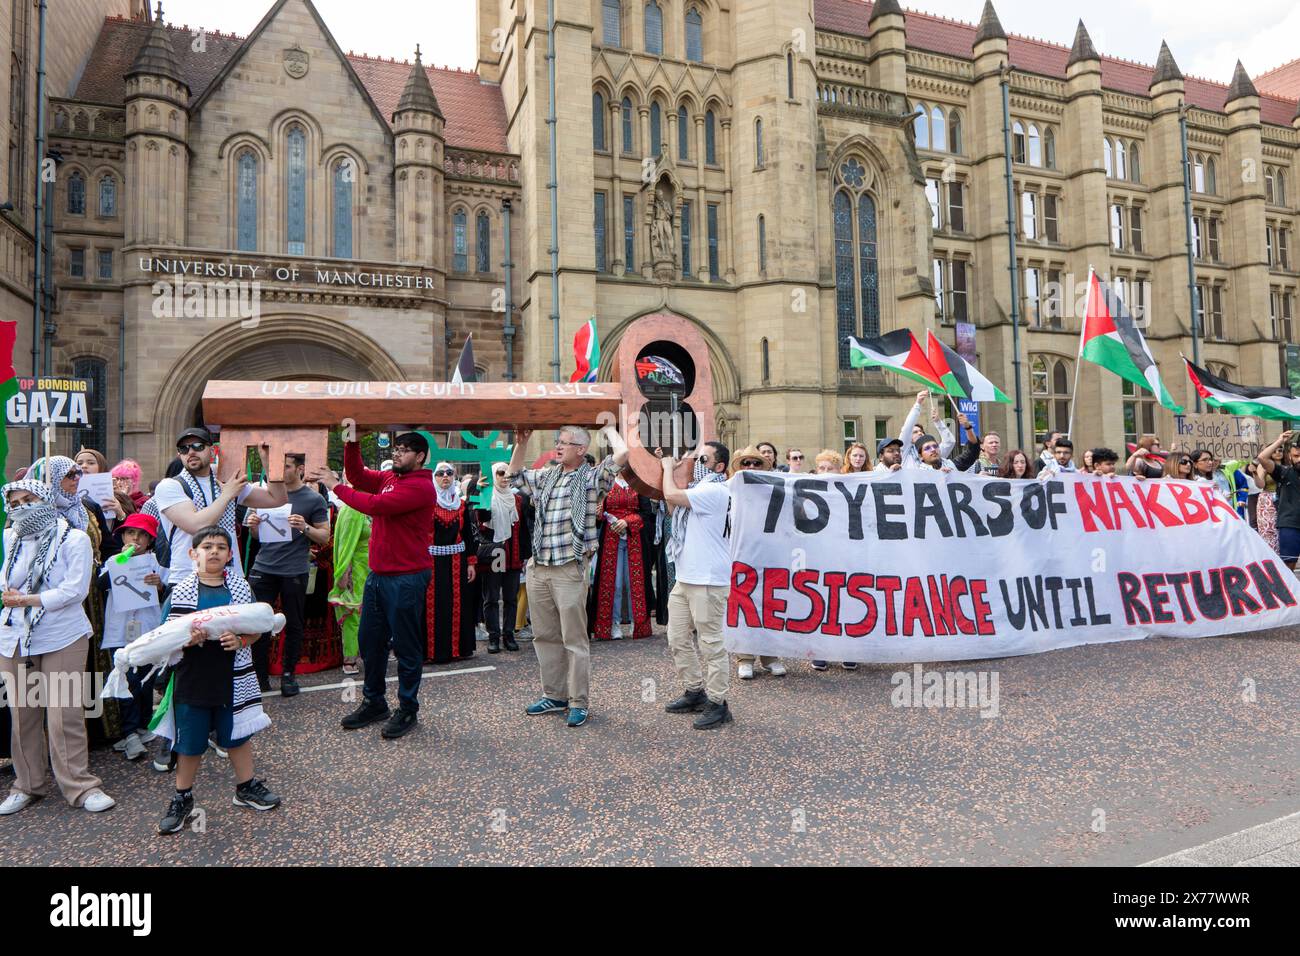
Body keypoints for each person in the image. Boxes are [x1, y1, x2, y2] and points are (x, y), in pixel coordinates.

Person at [0, 479, 116, 816]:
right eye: (16, 502)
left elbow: (74, 590)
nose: (23, 507)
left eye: (30, 499)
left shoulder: (73, 538)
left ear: (46, 499)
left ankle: (81, 787)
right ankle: (27, 784)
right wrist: (10, 592)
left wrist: (28, 598)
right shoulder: (9, 538)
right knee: (22, 714)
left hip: (61, 634)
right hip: (14, 635)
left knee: (64, 713)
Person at [311, 433, 435, 740]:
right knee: (370, 641)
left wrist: (334, 486)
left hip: (407, 577)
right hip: (379, 576)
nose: (397, 454)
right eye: (396, 448)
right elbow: (357, 475)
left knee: (406, 647)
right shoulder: (390, 477)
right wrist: (351, 443)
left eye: (404, 451)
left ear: (420, 456)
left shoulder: (420, 486)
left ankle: (407, 708)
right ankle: (375, 701)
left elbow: (375, 506)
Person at [157, 526, 280, 834]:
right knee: (191, 742)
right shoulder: (179, 592)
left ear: (229, 555)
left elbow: (259, 629)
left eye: (221, 547)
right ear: (192, 554)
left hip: (234, 675)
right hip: (193, 678)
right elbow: (163, 638)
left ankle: (245, 786)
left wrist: (241, 642)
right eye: (207, 546)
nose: (214, 551)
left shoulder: (242, 588)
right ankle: (182, 797)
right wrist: (187, 639)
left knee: (237, 735)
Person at [507, 424, 629, 728]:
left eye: (566, 443)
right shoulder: (548, 475)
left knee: (574, 640)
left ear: (581, 450)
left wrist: (609, 428)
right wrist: (521, 443)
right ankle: (555, 695)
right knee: (545, 636)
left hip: (569, 567)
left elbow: (623, 454)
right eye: (557, 442)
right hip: (539, 566)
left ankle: (578, 701)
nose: (558, 446)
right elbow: (514, 477)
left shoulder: (591, 478)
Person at [153, 427, 288, 589]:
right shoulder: (170, 485)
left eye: (198, 446)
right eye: (184, 448)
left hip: (231, 577)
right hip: (188, 578)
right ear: (179, 455)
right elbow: (196, 525)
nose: (191, 452)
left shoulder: (225, 478)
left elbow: (277, 499)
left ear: (212, 451)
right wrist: (227, 495)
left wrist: (269, 462)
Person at [659, 442, 734, 729]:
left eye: (704, 458)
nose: (698, 461)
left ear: (719, 467)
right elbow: (671, 504)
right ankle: (694, 691)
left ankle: (718, 703)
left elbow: (671, 494)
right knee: (677, 638)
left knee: (711, 644)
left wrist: (668, 468)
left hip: (708, 579)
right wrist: (671, 467)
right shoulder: (699, 489)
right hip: (687, 576)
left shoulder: (715, 490)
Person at [244, 454, 330, 697]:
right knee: (257, 622)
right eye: (277, 466)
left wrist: (304, 526)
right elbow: (259, 537)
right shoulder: (264, 494)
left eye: (286, 466)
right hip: (263, 568)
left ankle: (288, 675)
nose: (280, 471)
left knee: (293, 623)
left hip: (294, 570)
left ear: (300, 469)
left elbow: (324, 536)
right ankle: (259, 676)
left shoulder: (314, 499)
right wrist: (253, 526)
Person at [99, 512, 165, 761]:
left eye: (141, 535)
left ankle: (142, 726)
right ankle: (128, 733)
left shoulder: (156, 562)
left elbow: (166, 592)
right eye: (130, 533)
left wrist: (159, 584)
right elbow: (100, 584)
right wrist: (120, 562)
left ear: (150, 540)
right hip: (120, 632)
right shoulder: (114, 560)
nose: (134, 539)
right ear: (122, 536)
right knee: (127, 681)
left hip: (148, 629)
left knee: (146, 680)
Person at [728, 446, 787, 680]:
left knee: (771, 603)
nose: (751, 468)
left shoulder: (777, 488)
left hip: (771, 553)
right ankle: (745, 657)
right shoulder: (731, 488)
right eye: (746, 464)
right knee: (744, 603)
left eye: (756, 463)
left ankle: (770, 656)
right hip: (741, 553)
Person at [588, 467, 652, 641]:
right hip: (610, 539)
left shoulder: (639, 485)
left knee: (633, 583)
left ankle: (636, 622)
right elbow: (597, 514)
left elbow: (646, 514)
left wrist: (627, 521)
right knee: (613, 584)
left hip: (634, 539)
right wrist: (598, 513)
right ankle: (612, 624)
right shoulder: (605, 484)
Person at [426, 462, 480, 663]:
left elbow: (468, 535)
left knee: (458, 604)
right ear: (435, 477)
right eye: (440, 474)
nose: (445, 477)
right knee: (435, 605)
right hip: (432, 561)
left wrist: (471, 563)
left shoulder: (461, 504)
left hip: (458, 561)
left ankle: (458, 649)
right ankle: (433, 652)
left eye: (449, 473)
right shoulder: (428, 502)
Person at [476, 463, 531, 653]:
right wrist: (482, 492)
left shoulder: (517, 499)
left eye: (507, 473)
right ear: (493, 475)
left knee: (510, 598)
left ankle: (508, 635)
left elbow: (524, 529)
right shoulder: (487, 497)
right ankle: (493, 637)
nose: (504, 477)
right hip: (495, 554)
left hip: (514, 554)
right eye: (500, 473)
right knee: (491, 598)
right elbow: (481, 518)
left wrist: (525, 556)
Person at [327, 494, 370, 675]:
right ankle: (350, 659)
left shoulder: (368, 507)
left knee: (369, 615)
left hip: (371, 569)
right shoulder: (353, 509)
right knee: (353, 615)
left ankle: (368, 654)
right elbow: (345, 545)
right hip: (355, 572)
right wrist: (345, 574)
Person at [1254, 430, 1300, 567]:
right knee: (1288, 566)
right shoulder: (1284, 472)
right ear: (1290, 457)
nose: (1299, 459)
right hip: (1290, 525)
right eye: (1296, 456)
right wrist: (1280, 441)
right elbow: (1262, 458)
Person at [76, 448, 136, 525]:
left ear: (101, 466)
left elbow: (133, 528)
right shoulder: (67, 496)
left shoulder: (120, 498)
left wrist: (120, 513)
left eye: (91, 463)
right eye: (79, 463)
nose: (84, 466)